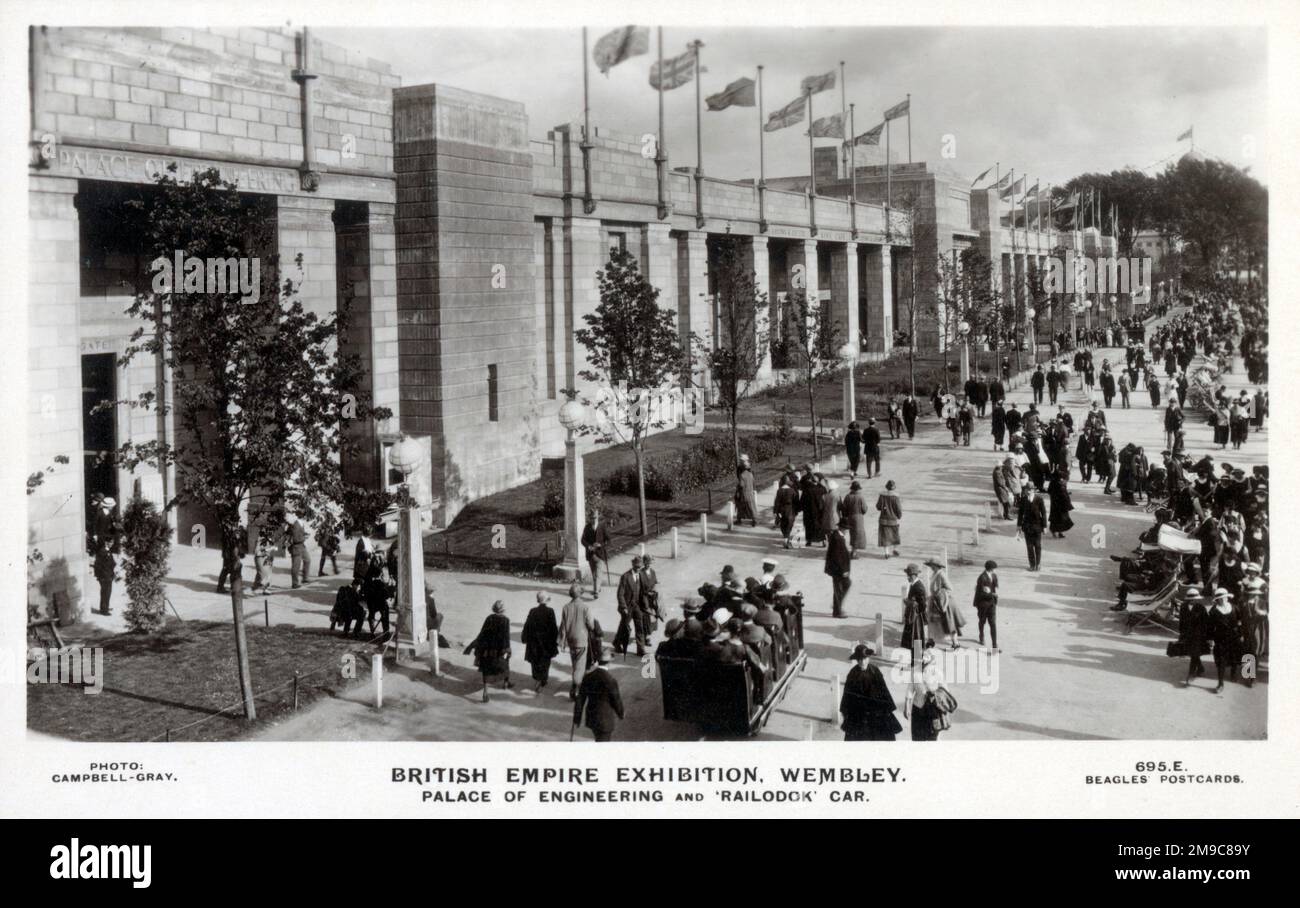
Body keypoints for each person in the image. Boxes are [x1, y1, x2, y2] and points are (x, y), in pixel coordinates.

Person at [839, 644, 901, 741]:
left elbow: (884, 690)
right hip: (859, 715)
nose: (862, 662)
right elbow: (847, 696)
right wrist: (846, 713)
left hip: (876, 713)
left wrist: (887, 709)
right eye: (859, 659)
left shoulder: (875, 671)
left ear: (868, 658)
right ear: (856, 660)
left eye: (864, 659)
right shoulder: (852, 674)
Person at [905, 647, 956, 742]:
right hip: (918, 708)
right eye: (921, 657)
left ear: (932, 659)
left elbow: (945, 691)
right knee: (917, 737)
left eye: (925, 657)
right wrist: (907, 707)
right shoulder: (914, 671)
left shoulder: (938, 673)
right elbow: (909, 691)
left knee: (933, 737)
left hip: (934, 710)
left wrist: (935, 694)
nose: (923, 660)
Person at [466, 601, 513, 702]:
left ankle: (485, 693)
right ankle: (506, 683)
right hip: (498, 650)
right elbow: (506, 637)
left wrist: (475, 645)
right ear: (503, 610)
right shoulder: (505, 620)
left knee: (486, 670)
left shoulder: (489, 618)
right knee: (505, 663)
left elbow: (483, 632)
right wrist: (508, 649)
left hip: (487, 650)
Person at [572, 649, 623, 741]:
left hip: (592, 718)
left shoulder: (588, 677)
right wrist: (621, 713)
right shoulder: (610, 680)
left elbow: (580, 699)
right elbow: (616, 699)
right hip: (605, 720)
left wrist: (577, 718)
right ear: (609, 663)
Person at [558, 583, 595, 699]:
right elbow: (591, 625)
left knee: (575, 663)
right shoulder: (585, 607)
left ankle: (576, 681)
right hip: (581, 640)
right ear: (581, 594)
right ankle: (576, 688)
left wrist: (562, 643)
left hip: (571, 640)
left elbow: (563, 627)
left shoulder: (565, 607)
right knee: (580, 665)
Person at [521, 591, 560, 694]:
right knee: (545, 661)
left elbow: (527, 625)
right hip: (546, 643)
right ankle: (543, 679)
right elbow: (553, 627)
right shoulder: (550, 611)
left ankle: (537, 678)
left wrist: (524, 637)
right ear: (546, 600)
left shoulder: (532, 611)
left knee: (535, 661)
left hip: (534, 642)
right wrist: (556, 640)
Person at [926, 558, 964, 650]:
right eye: (930, 565)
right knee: (932, 621)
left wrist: (940, 594)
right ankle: (931, 640)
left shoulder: (942, 575)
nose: (931, 567)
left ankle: (955, 643)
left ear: (936, 566)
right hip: (935, 602)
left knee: (949, 622)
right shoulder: (934, 574)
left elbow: (950, 588)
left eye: (932, 565)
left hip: (945, 603)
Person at [615, 556, 647, 657]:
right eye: (636, 567)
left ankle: (640, 649)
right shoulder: (625, 576)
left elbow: (643, 590)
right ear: (632, 565)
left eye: (640, 567)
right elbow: (620, 594)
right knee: (624, 627)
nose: (638, 569)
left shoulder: (641, 575)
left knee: (640, 627)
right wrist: (623, 606)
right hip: (627, 607)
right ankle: (617, 643)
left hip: (637, 606)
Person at [825, 517, 853, 619]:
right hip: (838, 570)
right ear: (842, 528)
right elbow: (837, 557)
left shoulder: (837, 536)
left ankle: (837, 605)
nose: (847, 531)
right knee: (840, 588)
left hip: (837, 569)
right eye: (846, 529)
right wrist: (844, 571)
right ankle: (837, 611)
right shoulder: (837, 538)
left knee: (842, 587)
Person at [901, 563, 928, 657]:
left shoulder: (919, 586)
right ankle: (915, 662)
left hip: (916, 617)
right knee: (913, 640)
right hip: (913, 616)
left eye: (908, 575)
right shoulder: (914, 584)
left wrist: (911, 604)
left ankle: (917, 662)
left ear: (912, 575)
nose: (907, 577)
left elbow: (923, 605)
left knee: (916, 639)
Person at [1017, 486, 1047, 571]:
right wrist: (1018, 526)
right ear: (1025, 490)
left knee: (1038, 546)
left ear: (1034, 490)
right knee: (1029, 547)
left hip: (1037, 526)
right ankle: (1032, 565)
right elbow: (1020, 514)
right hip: (1027, 527)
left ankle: (1038, 564)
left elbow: (1044, 513)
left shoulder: (1039, 499)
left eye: (1030, 490)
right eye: (1027, 489)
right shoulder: (1023, 499)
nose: (1029, 491)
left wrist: (1044, 526)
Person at [581, 511, 609, 597]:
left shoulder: (602, 526)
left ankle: (596, 591)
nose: (593, 519)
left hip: (600, 554)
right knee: (594, 574)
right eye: (592, 518)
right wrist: (588, 546)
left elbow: (608, 540)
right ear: (590, 518)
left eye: (595, 517)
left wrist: (601, 545)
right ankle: (597, 587)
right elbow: (582, 540)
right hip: (590, 554)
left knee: (598, 573)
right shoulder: (587, 527)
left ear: (598, 517)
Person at [973, 559, 999, 651]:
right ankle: (981, 635)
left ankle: (994, 646)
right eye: (994, 569)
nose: (995, 570)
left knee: (993, 624)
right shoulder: (982, 578)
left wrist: (994, 594)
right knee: (982, 621)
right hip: (983, 604)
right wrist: (991, 594)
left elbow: (995, 587)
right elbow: (980, 593)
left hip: (991, 604)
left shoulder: (994, 576)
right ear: (990, 569)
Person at [840, 480, 870, 551]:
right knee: (858, 534)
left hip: (850, 517)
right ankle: (854, 551)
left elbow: (844, 508)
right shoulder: (860, 497)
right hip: (859, 517)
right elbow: (864, 509)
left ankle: (853, 550)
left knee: (852, 534)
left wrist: (846, 515)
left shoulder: (848, 496)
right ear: (858, 489)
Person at [876, 479, 902, 559]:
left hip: (883, 518)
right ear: (894, 488)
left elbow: (878, 507)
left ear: (886, 487)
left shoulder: (882, 496)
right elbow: (898, 508)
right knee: (895, 535)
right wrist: (899, 516)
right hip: (893, 519)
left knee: (885, 536)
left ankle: (886, 553)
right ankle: (895, 549)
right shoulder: (895, 497)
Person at [283, 515, 310, 588]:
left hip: (301, 546)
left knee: (307, 560)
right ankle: (294, 583)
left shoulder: (298, 523)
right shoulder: (293, 525)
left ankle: (305, 578)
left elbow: (299, 534)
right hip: (296, 547)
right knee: (296, 566)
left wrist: (304, 534)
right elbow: (295, 539)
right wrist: (304, 537)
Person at [1047, 466, 1074, 538]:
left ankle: (1057, 532)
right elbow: (1063, 495)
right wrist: (1068, 504)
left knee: (1056, 518)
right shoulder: (1060, 484)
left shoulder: (1053, 482)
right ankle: (1058, 532)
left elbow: (1049, 491)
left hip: (1055, 504)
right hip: (1061, 505)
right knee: (1061, 519)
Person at [773, 476, 799, 549]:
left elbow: (777, 502)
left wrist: (776, 511)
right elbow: (796, 502)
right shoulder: (792, 491)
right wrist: (796, 511)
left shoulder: (779, 490)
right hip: (790, 509)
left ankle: (785, 537)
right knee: (789, 524)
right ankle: (786, 538)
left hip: (781, 510)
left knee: (783, 524)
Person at [734, 454, 759, 527]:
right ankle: (750, 519)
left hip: (744, 490)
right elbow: (753, 481)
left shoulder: (744, 473)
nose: (741, 461)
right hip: (749, 489)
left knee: (742, 505)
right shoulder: (749, 473)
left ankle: (752, 519)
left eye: (742, 460)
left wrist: (738, 490)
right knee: (749, 505)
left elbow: (741, 483)